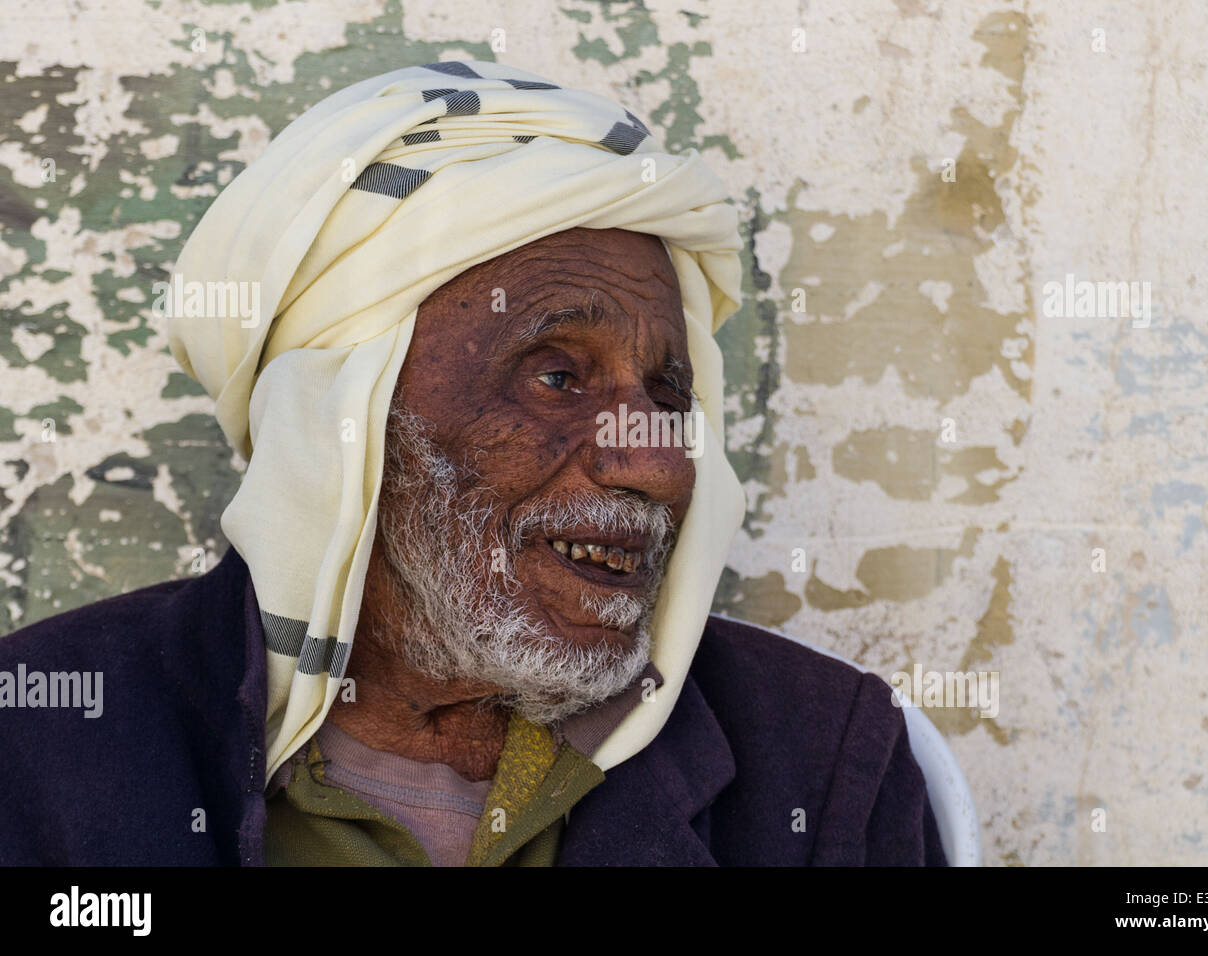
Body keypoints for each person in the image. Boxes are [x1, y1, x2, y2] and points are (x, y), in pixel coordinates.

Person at [0, 60, 947, 866]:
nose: (655, 468)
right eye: (557, 377)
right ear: (344, 420)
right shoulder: (41, 745)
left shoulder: (822, 759)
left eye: (667, 396)